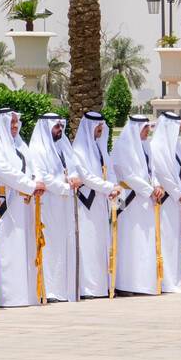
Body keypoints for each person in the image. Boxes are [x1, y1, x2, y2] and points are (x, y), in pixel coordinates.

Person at [0, 109, 46, 306]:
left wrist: (37, 181)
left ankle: (25, 295)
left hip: (24, 205)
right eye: (10, 123)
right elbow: (2, 169)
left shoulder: (20, 144)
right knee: (8, 249)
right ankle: (9, 297)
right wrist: (30, 185)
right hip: (7, 206)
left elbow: (33, 166)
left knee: (25, 249)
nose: (14, 126)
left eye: (16, 122)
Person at [110, 116, 163, 295]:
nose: (148, 131)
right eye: (145, 127)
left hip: (146, 200)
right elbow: (127, 175)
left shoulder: (146, 146)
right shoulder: (122, 146)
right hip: (128, 200)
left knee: (143, 242)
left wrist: (156, 186)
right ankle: (125, 284)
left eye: (149, 127)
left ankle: (143, 283)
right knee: (129, 242)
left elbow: (152, 170)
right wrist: (150, 190)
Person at [28, 114, 78, 302]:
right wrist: (65, 187)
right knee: (51, 245)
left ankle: (64, 289)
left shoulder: (63, 145)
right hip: (48, 203)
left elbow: (73, 167)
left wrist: (73, 179)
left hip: (64, 203)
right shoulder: (38, 148)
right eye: (56, 126)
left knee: (65, 244)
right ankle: (51, 290)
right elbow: (43, 177)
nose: (60, 130)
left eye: (61, 126)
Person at [69, 111, 117, 298]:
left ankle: (100, 286)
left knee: (101, 244)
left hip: (102, 201)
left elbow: (109, 170)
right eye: (98, 127)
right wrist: (108, 187)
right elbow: (86, 177)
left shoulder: (101, 148)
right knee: (89, 243)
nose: (100, 129)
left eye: (102, 127)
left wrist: (113, 187)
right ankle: (89, 288)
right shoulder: (79, 150)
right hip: (87, 203)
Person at [147, 112, 181, 293]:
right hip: (167, 202)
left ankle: (178, 279)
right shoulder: (156, 146)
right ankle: (167, 281)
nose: (180, 129)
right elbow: (163, 174)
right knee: (167, 241)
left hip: (179, 200)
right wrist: (179, 193)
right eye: (177, 126)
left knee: (178, 241)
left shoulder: (178, 146)